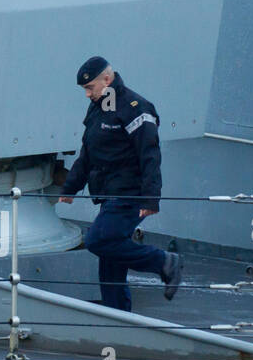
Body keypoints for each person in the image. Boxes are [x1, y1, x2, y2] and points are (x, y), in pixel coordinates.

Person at [58, 56, 182, 311]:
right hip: (109, 194)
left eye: (89, 87)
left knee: (98, 241)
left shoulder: (136, 107)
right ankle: (118, 316)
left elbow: (150, 155)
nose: (86, 94)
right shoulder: (98, 106)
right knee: (110, 259)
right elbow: (88, 152)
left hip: (129, 195)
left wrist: (150, 199)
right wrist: (70, 187)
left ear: (107, 79)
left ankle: (164, 262)